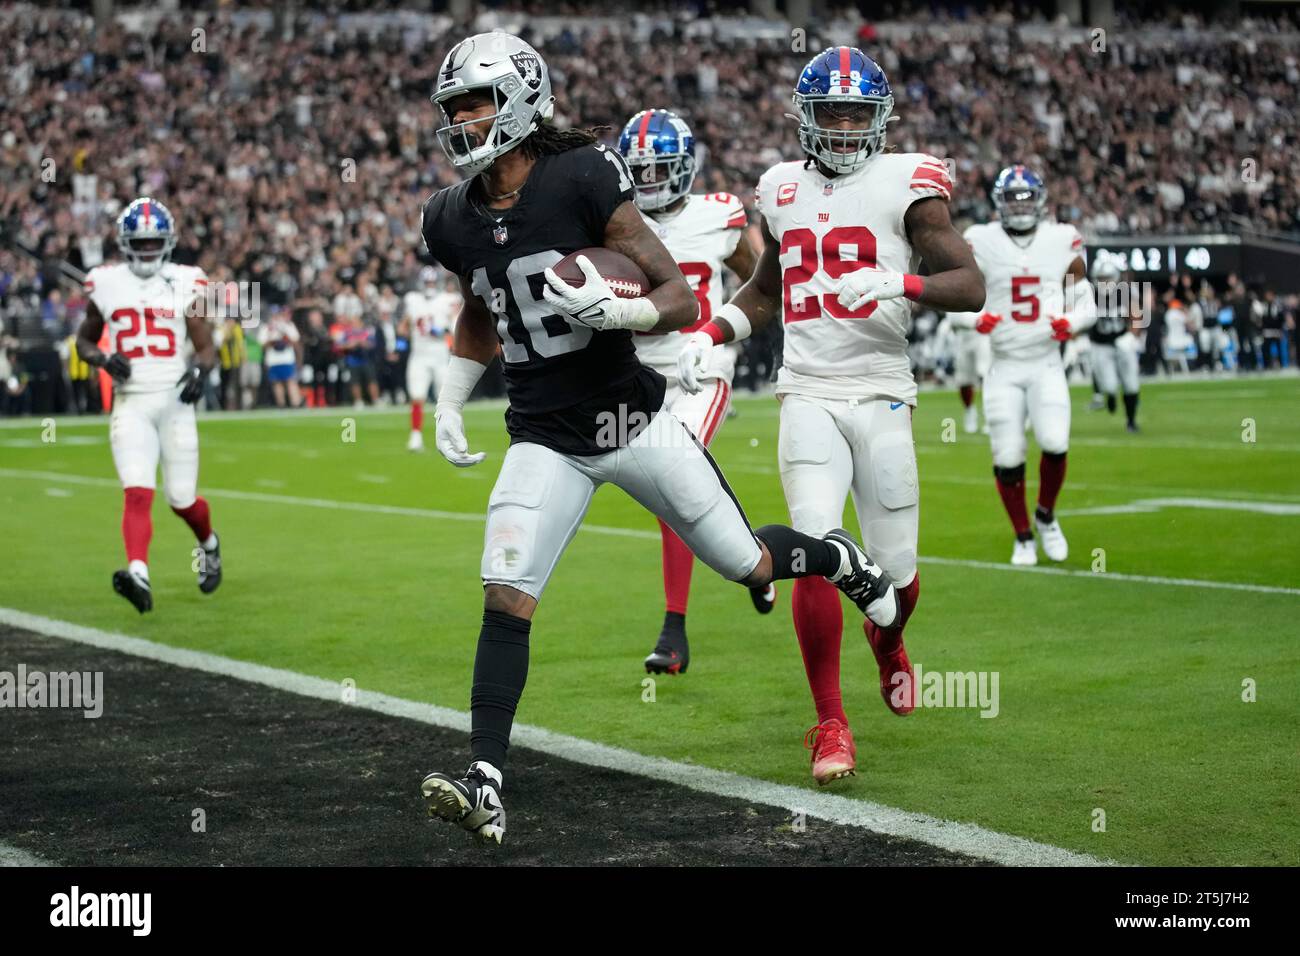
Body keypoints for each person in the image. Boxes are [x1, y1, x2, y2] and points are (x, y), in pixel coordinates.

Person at [416, 34, 899, 844]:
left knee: (744, 560)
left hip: (635, 422)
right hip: (543, 437)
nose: (462, 122)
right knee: (505, 592)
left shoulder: (581, 177)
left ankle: (837, 557)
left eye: (476, 104)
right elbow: (478, 306)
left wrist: (624, 313)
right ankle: (487, 780)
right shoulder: (449, 217)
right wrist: (452, 397)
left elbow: (676, 295)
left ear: (522, 103)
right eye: (453, 109)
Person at [677, 46, 985, 784]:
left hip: (882, 388)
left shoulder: (908, 183)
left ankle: (889, 643)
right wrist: (711, 333)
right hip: (807, 388)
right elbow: (764, 288)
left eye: (857, 114)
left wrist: (899, 280)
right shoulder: (780, 187)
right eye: (831, 114)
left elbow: (969, 283)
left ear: (880, 119)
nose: (845, 129)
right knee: (816, 549)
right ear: (805, 118)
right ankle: (830, 724)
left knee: (898, 572)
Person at [615, 107, 769, 676]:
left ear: (685, 168)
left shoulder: (719, 215)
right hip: (637, 373)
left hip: (701, 370)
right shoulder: (615, 221)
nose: (650, 180)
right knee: (676, 487)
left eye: (661, 169)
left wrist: (722, 333)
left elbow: (761, 282)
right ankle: (755, 554)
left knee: (673, 471)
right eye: (642, 171)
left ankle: (673, 632)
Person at [73, 198, 222, 613]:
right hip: (131, 402)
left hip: (174, 401)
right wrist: (103, 358)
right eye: (139, 242)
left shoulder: (186, 280)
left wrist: (199, 372)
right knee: (137, 490)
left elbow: (205, 346)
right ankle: (138, 573)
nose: (147, 250)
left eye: (154, 242)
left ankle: (209, 545)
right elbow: (83, 340)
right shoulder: (106, 282)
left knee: (181, 499)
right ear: (124, 243)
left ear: (168, 241)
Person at [947, 166, 1097, 566]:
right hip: (1003, 365)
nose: (1019, 205)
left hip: (1047, 362)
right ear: (999, 203)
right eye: (1012, 199)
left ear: (1040, 201)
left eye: (1025, 198)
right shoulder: (979, 238)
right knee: (1008, 455)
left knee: (1055, 441)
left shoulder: (1062, 238)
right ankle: (1023, 535)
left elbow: (1085, 297)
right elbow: (955, 297)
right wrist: (973, 320)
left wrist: (1073, 321)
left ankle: (1046, 516)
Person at [401, 267, 460, 451]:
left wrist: (439, 331)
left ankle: (447, 437)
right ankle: (416, 436)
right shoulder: (413, 300)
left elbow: (454, 328)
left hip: (439, 354)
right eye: (427, 282)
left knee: (444, 400)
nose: (430, 285)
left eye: (432, 282)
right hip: (419, 355)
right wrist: (401, 340)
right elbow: (403, 327)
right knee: (417, 396)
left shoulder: (447, 300)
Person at [1086, 259, 1141, 432]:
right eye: (1101, 278)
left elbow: (1137, 317)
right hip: (1100, 345)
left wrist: (1131, 336)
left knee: (1131, 384)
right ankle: (1110, 395)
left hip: (1121, 342)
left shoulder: (1124, 293)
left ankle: (1131, 421)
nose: (1104, 282)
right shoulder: (1089, 295)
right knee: (1108, 385)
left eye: (1108, 278)